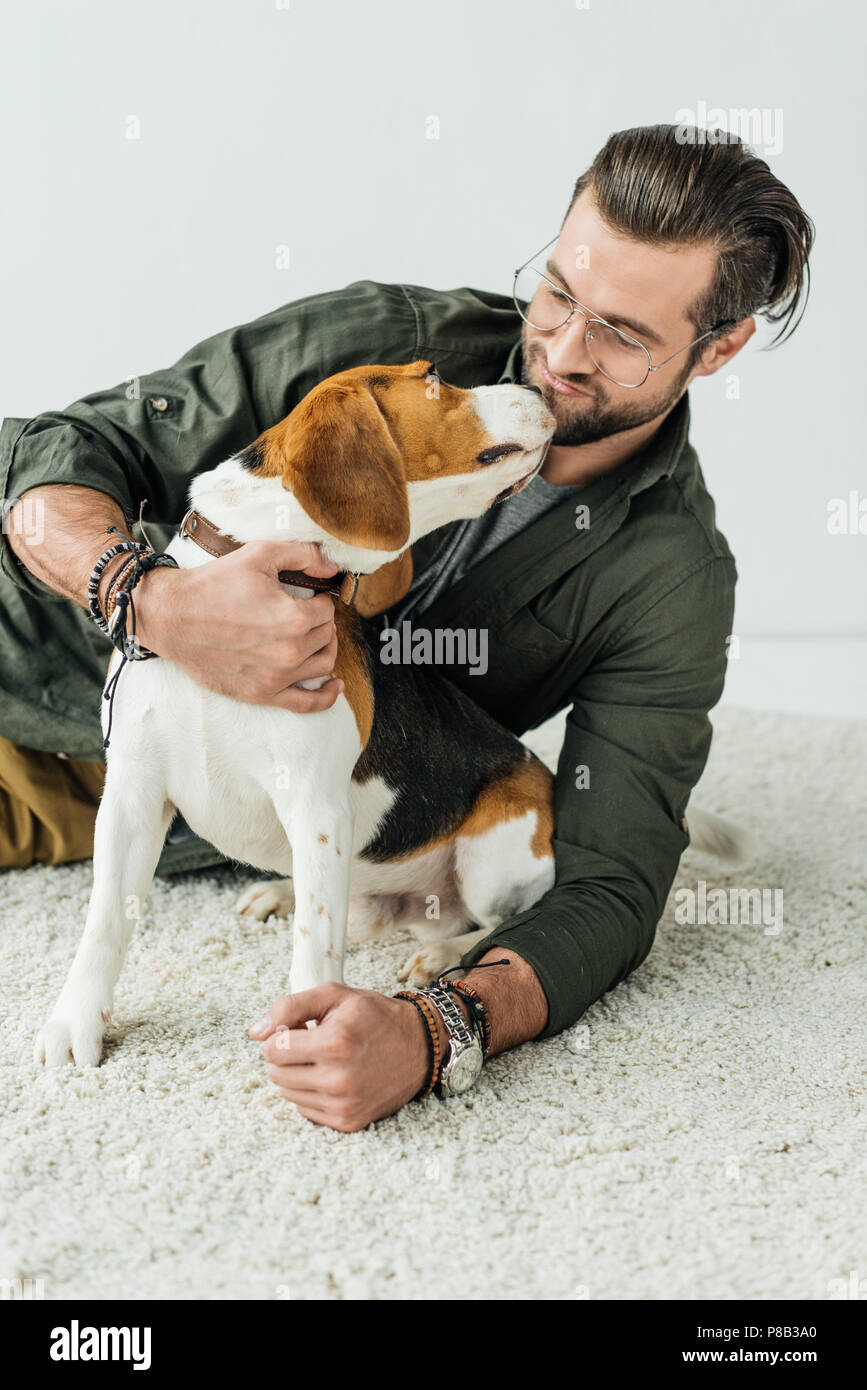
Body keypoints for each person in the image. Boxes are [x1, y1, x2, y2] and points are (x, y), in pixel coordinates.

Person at [1, 124, 813, 1130]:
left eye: (623, 334)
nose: (559, 350)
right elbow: (66, 448)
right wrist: (150, 600)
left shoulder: (674, 582)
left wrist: (439, 1027)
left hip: (162, 813)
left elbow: (609, 885)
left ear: (721, 345)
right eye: (558, 291)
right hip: (31, 639)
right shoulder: (379, 344)